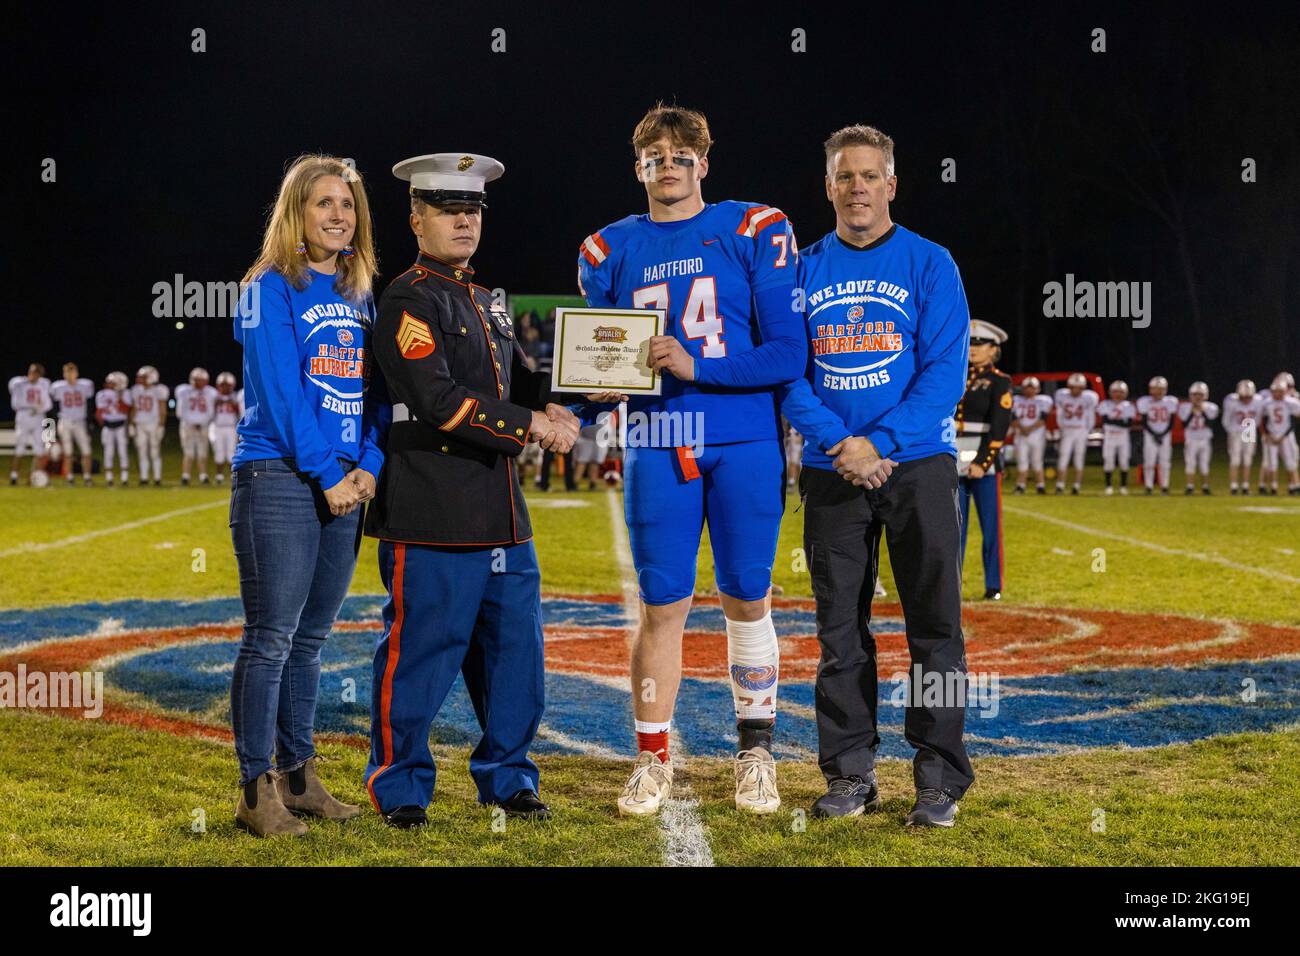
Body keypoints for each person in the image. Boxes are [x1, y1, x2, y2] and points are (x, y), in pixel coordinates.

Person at [577, 103, 805, 816]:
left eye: (681, 155)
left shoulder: (753, 227)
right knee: (661, 606)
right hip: (654, 443)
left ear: (703, 164)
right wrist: (572, 410)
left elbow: (787, 352)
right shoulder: (606, 249)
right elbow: (607, 368)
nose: (667, 165)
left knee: (747, 596)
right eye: (655, 155)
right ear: (637, 166)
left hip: (741, 441)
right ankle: (651, 759)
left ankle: (757, 754)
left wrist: (699, 366)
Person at [363, 152, 579, 828]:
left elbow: (520, 386)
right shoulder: (406, 297)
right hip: (431, 509)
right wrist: (534, 426)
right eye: (448, 210)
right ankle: (400, 789)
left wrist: (571, 404)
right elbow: (439, 402)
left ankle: (509, 778)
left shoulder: (487, 303)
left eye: (473, 210)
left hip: (502, 514)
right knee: (421, 655)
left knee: (516, 656)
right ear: (416, 219)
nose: (463, 220)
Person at [780, 124, 973, 827]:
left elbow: (944, 373)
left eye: (870, 175)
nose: (857, 187)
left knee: (934, 627)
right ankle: (851, 774)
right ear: (828, 186)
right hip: (835, 471)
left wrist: (880, 443)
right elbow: (788, 374)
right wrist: (842, 445)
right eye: (844, 176)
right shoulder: (798, 269)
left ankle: (939, 779)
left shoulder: (930, 262)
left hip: (917, 463)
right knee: (840, 631)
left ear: (891, 184)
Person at [229, 154, 384, 837]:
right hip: (279, 478)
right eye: (324, 203)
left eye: (347, 204)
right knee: (271, 639)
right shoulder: (269, 287)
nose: (338, 215)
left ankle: (299, 775)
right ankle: (254, 787)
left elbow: (379, 394)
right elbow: (282, 395)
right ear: (296, 213)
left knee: (311, 641)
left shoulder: (360, 291)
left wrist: (369, 467)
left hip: (345, 483)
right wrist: (329, 474)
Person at [955, 321, 1013, 601]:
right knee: (954, 526)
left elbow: (1000, 427)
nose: (973, 350)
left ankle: (994, 585)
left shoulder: (1000, 381)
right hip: (953, 457)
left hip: (982, 460)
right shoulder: (955, 375)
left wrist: (983, 462)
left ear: (994, 350)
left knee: (991, 527)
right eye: (971, 344)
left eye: (980, 345)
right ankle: (952, 583)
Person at [1052, 372, 1098, 495]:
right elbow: (1060, 414)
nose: (1076, 390)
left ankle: (1076, 485)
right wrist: (1062, 427)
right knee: (1063, 457)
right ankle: (1060, 485)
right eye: (1073, 387)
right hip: (1067, 429)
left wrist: (1087, 430)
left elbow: (1090, 416)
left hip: (1081, 430)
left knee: (1079, 458)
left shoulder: (1089, 398)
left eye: (1079, 387)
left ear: (1083, 388)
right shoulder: (1062, 395)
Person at [50, 362, 95, 486]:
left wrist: (89, 422)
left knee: (86, 451)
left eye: (72, 371)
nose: (70, 374)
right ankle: (70, 478)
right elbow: (53, 408)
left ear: (77, 373)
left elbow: (90, 405)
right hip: (65, 422)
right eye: (67, 372)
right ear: (64, 374)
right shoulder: (58, 386)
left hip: (80, 421)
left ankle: (87, 478)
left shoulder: (85, 385)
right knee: (68, 452)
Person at [8, 363, 52, 485]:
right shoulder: (19, 384)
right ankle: (14, 476)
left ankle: (35, 478)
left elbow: (48, 404)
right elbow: (15, 403)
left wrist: (39, 408)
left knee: (40, 449)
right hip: (23, 416)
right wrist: (31, 406)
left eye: (37, 373)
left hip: (38, 417)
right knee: (20, 448)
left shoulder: (42, 385)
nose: (34, 375)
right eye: (33, 372)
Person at [1137, 376, 1178, 494]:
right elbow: (1144, 421)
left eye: (1160, 389)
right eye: (1155, 389)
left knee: (1165, 461)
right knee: (1149, 461)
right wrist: (1154, 434)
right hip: (1150, 435)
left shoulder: (1170, 401)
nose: (1158, 392)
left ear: (1165, 390)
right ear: (1150, 389)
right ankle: (1148, 486)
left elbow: (1172, 421)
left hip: (1165, 435)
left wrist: (1162, 434)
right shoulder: (1145, 401)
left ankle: (1165, 486)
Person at [1259, 375, 1300, 495]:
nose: (1278, 394)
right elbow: (1262, 419)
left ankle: (1294, 485)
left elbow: (1294, 420)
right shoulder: (1266, 402)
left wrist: (1284, 435)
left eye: (1281, 391)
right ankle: (1273, 486)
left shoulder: (1291, 401)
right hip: (1271, 435)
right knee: (1271, 462)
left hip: (1286, 435)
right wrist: (1266, 434)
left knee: (1290, 461)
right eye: (1276, 391)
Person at [1011, 376, 1052, 494]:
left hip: (1037, 435)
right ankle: (1020, 485)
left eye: (1032, 388)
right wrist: (1022, 428)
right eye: (1027, 388)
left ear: (1038, 389)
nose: (1029, 390)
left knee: (1037, 461)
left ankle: (1040, 486)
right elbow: (1012, 417)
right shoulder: (1016, 400)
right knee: (1022, 461)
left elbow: (1043, 419)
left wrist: (1029, 428)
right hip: (1021, 434)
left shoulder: (1043, 400)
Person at [176, 367, 217, 485]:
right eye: (197, 379)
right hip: (187, 426)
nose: (199, 382)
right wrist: (191, 423)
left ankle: (203, 476)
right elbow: (180, 411)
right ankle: (185, 476)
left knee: (202, 452)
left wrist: (204, 422)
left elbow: (211, 411)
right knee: (189, 452)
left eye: (201, 379)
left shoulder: (210, 392)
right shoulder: (184, 391)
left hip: (203, 426)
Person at [130, 366, 169, 486]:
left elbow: (162, 408)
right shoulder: (136, 389)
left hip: (153, 423)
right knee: (142, 451)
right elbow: (134, 408)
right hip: (140, 423)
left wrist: (161, 425)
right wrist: (131, 424)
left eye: (143, 377)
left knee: (154, 451)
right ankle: (144, 478)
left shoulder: (159, 390)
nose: (140, 379)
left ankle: (157, 478)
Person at [1178, 382, 1219, 495]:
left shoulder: (1211, 407)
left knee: (1204, 463)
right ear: (1191, 395)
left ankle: (1205, 486)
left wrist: (1203, 411)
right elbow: (1184, 424)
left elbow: (1210, 424)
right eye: (1195, 394)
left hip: (1205, 439)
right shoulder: (1185, 407)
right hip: (1191, 439)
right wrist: (1192, 412)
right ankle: (1190, 486)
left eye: (1200, 394)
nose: (1197, 397)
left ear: (1205, 395)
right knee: (1190, 462)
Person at [1097, 380, 1137, 495]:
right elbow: (1105, 420)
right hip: (1110, 437)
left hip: (1123, 438)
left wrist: (1112, 421)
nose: (1118, 394)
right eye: (1115, 392)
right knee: (1108, 461)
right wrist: (1119, 422)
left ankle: (1123, 486)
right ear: (1110, 392)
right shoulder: (1105, 404)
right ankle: (1108, 486)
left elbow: (1128, 424)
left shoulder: (1128, 406)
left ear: (1125, 393)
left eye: (1121, 392)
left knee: (1124, 461)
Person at [1224, 379, 1263, 495]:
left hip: (1249, 431)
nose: (1246, 399)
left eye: (1248, 397)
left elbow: (1259, 418)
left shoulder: (1258, 401)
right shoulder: (1231, 400)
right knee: (1235, 459)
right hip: (1235, 432)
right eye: (1243, 397)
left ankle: (1245, 486)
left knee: (1247, 459)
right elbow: (1226, 419)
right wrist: (1232, 431)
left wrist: (1250, 428)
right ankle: (1234, 486)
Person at [94, 371, 132, 485]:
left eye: (111, 382)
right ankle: (109, 478)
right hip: (107, 426)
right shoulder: (101, 394)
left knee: (122, 452)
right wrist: (102, 423)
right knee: (108, 453)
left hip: (121, 426)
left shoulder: (126, 393)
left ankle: (124, 478)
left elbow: (126, 409)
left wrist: (119, 397)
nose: (108, 384)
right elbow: (99, 412)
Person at [210, 372, 243, 485]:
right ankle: (219, 475)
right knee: (219, 452)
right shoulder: (214, 397)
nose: (225, 387)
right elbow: (210, 414)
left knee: (231, 452)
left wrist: (233, 404)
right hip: (218, 427)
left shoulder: (236, 396)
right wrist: (215, 404)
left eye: (227, 385)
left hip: (231, 428)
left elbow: (240, 414)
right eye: (222, 385)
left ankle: (232, 474)